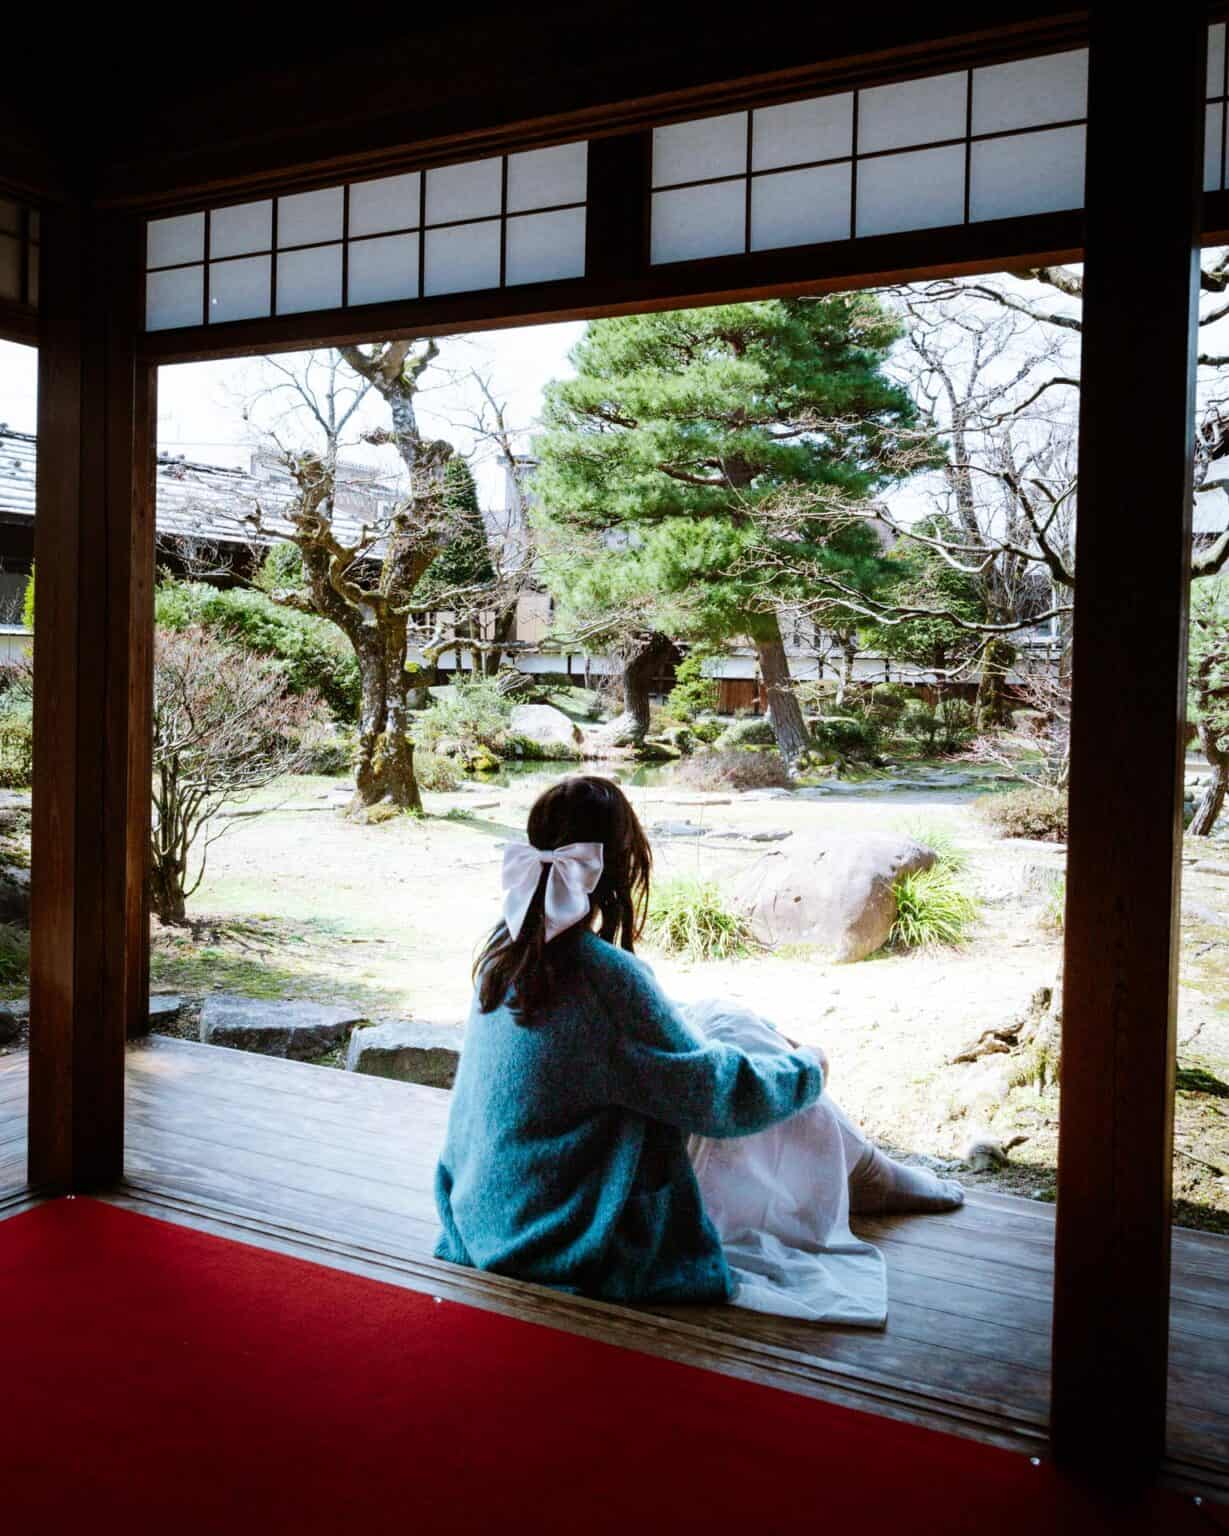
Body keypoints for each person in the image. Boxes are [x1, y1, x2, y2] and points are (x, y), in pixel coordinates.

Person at [434, 775, 963, 1325]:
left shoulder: (506, 949)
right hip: (564, 1233)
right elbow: (717, 1100)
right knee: (738, 1036)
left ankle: (869, 1170)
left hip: (486, 1212)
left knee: (717, 1018)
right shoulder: (603, 978)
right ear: (619, 868)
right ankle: (870, 1172)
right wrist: (809, 1067)